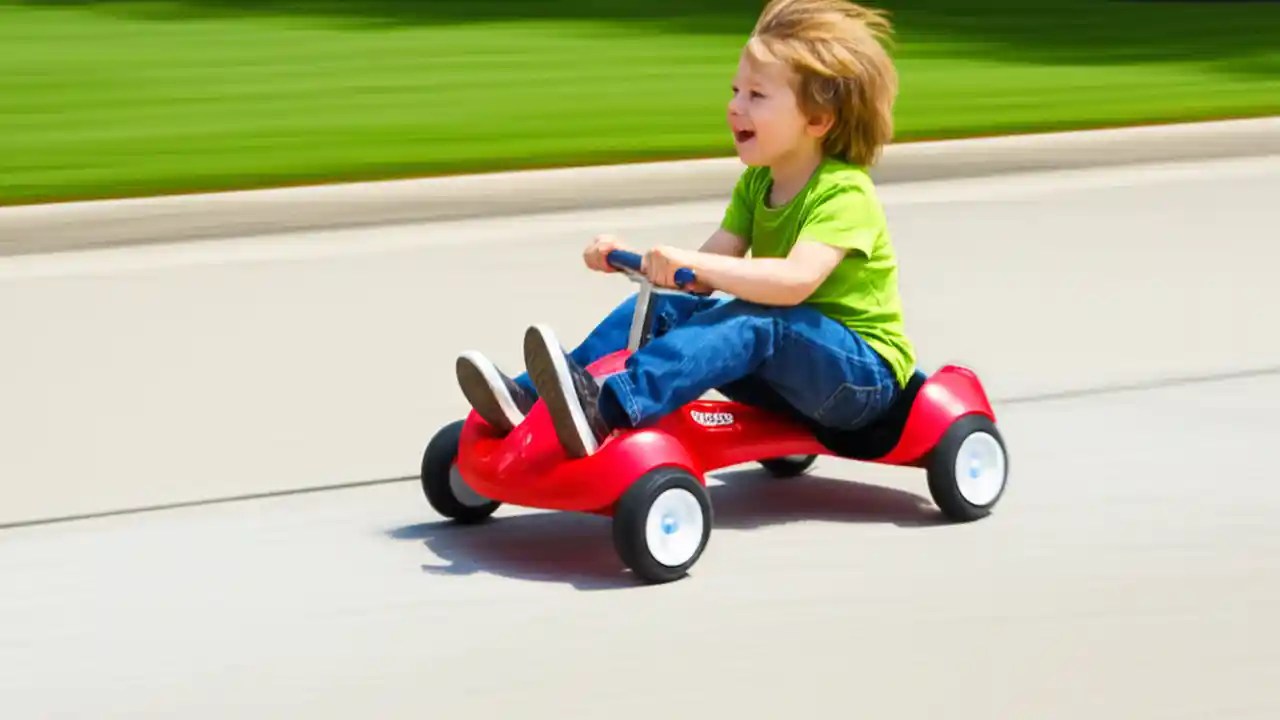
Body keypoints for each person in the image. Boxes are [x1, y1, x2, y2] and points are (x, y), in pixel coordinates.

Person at [454, 0, 916, 459]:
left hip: (860, 381)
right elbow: (697, 278)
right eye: (735, 90)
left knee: (759, 321)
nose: (735, 107)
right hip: (789, 370)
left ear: (817, 120)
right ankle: (531, 399)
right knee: (664, 309)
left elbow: (794, 282)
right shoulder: (757, 184)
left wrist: (694, 263)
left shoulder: (844, 193)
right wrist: (636, 260)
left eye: (756, 96)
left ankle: (611, 405)